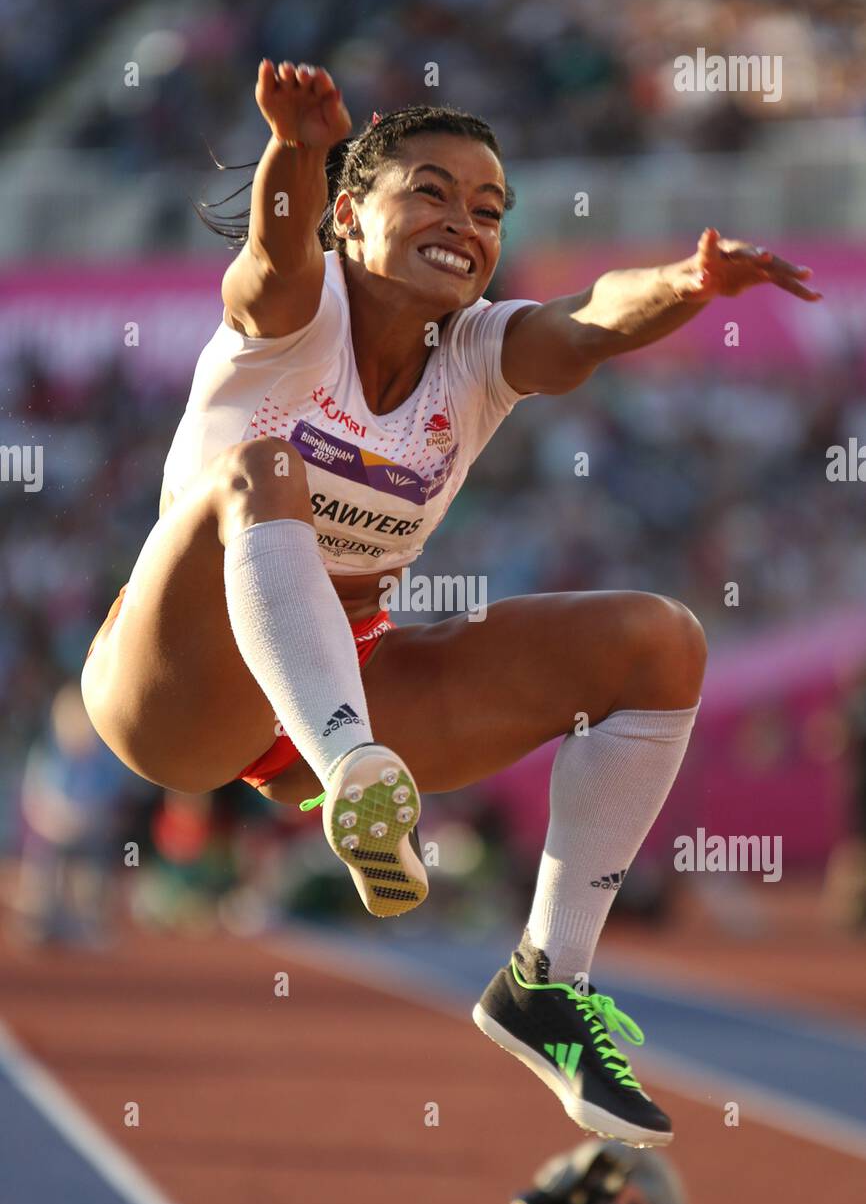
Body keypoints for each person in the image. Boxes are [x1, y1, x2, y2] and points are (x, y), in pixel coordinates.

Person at [81, 60, 820, 1146]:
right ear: (349, 216)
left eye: (488, 210)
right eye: (427, 192)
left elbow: (589, 318)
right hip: (178, 691)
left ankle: (545, 983)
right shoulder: (294, 311)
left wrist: (686, 283)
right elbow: (271, 254)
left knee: (657, 645)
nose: (463, 223)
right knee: (260, 468)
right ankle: (354, 780)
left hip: (348, 675)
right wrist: (294, 143)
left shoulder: (478, 354)